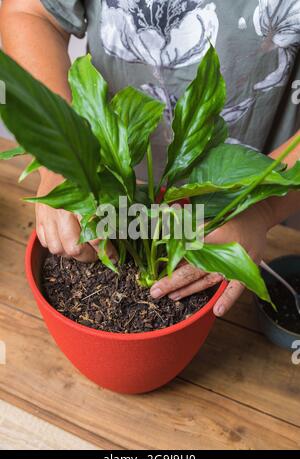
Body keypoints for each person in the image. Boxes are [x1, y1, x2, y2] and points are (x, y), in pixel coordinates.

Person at [1, 0, 300, 317]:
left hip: (248, 197)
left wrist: (262, 210)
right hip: (107, 185)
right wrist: (59, 158)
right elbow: (30, 12)